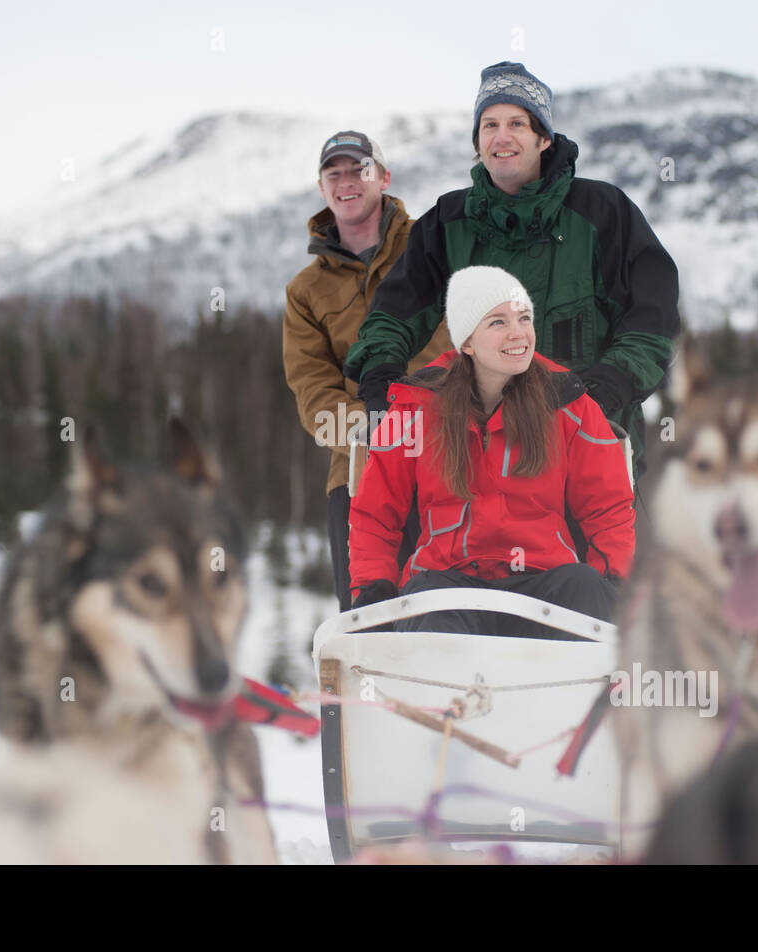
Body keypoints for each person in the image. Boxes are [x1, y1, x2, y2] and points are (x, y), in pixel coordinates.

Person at [343, 62, 680, 479]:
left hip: (588, 453)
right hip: (477, 460)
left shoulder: (604, 213)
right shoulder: (448, 223)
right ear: (477, 141)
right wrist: (380, 383)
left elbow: (653, 321)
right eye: (489, 125)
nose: (501, 137)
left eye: (517, 123)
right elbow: (393, 315)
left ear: (543, 137)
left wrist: (606, 388)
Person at [348, 266, 634, 637]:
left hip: (543, 586)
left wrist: (614, 583)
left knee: (585, 587)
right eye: (498, 322)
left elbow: (607, 508)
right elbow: (375, 514)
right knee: (430, 613)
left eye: (524, 318)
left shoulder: (568, 405)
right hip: (449, 587)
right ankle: (439, 694)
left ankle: (583, 693)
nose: (518, 333)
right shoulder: (415, 409)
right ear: (466, 341)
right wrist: (374, 592)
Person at [283, 132, 451, 612]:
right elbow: (312, 388)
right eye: (333, 173)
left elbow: (465, 339)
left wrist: (425, 422)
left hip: (447, 461)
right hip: (357, 475)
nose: (346, 181)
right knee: (365, 625)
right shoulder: (305, 291)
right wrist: (371, 430)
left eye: (359, 169)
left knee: (453, 614)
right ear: (321, 188)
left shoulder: (431, 248)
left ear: (384, 177)